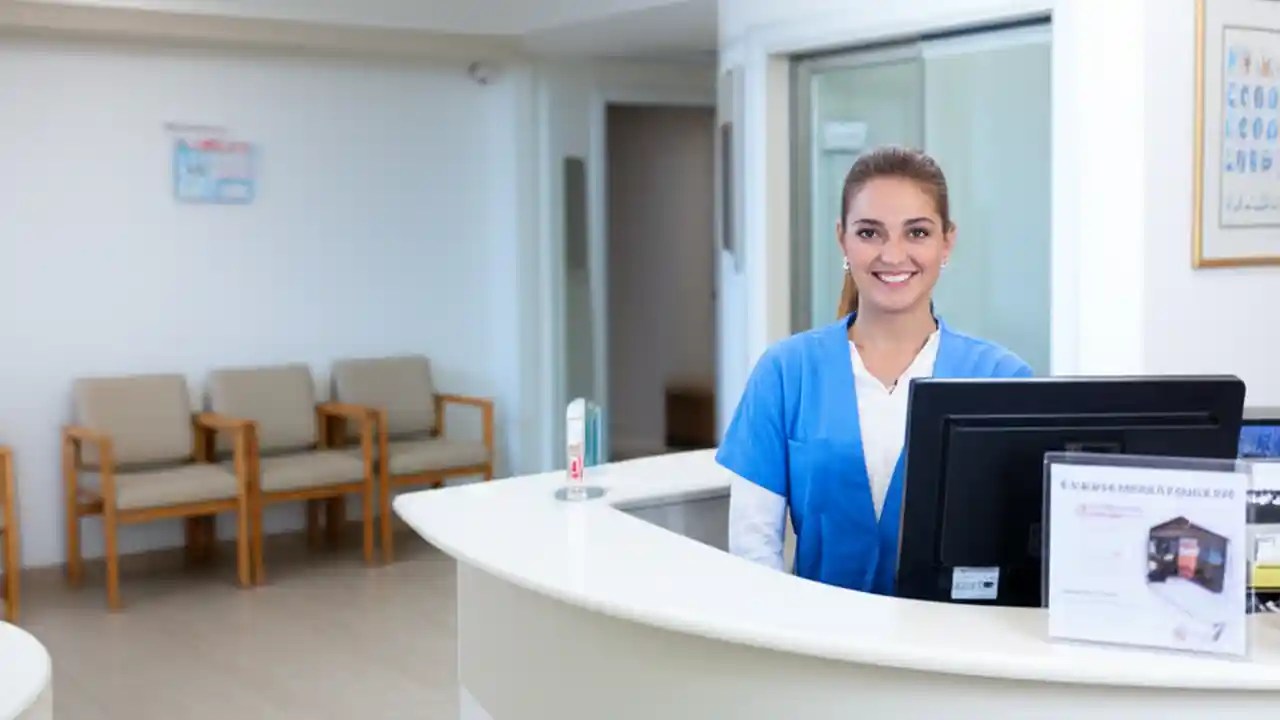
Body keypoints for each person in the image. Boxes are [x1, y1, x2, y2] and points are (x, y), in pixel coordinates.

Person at [716, 146, 1032, 595]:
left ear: (947, 241)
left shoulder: (1002, 379)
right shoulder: (787, 373)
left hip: (955, 649)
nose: (893, 254)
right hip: (816, 646)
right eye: (870, 233)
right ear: (842, 239)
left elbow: (1027, 552)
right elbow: (752, 549)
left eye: (917, 232)